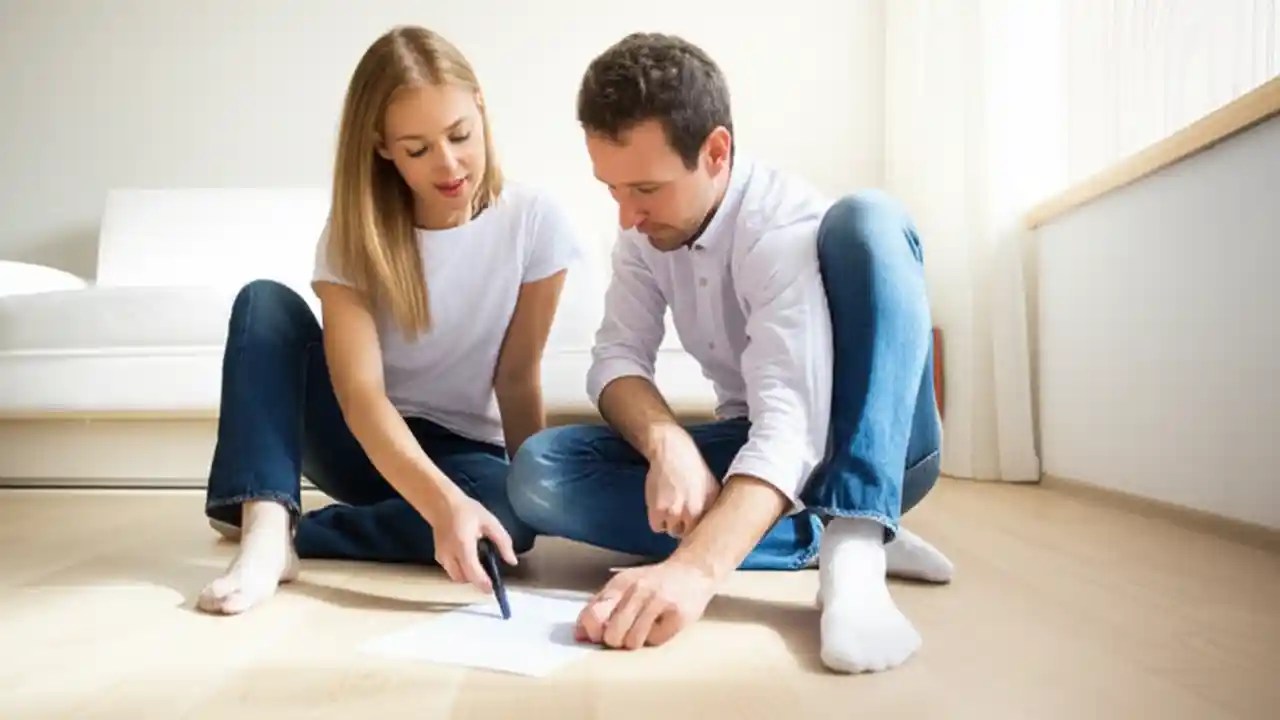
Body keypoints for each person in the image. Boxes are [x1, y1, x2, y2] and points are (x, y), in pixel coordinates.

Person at [506, 32, 953, 673]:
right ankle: (812, 534)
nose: (628, 215)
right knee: (537, 474)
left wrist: (692, 570)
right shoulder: (643, 231)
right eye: (613, 190)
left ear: (717, 151)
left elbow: (791, 423)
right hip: (752, 441)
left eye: (646, 190)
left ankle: (855, 538)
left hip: (873, 446)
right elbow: (616, 358)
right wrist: (668, 443)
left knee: (870, 219)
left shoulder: (779, 225)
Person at [198, 25, 583, 615]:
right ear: (382, 147)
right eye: (417, 149)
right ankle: (265, 533)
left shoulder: (535, 221)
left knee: (510, 520)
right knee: (264, 304)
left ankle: (302, 531)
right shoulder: (354, 236)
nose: (449, 164)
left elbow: (516, 375)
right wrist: (445, 507)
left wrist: (535, 493)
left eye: (459, 135)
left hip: (462, 450)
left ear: (480, 107)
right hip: (361, 440)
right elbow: (361, 397)